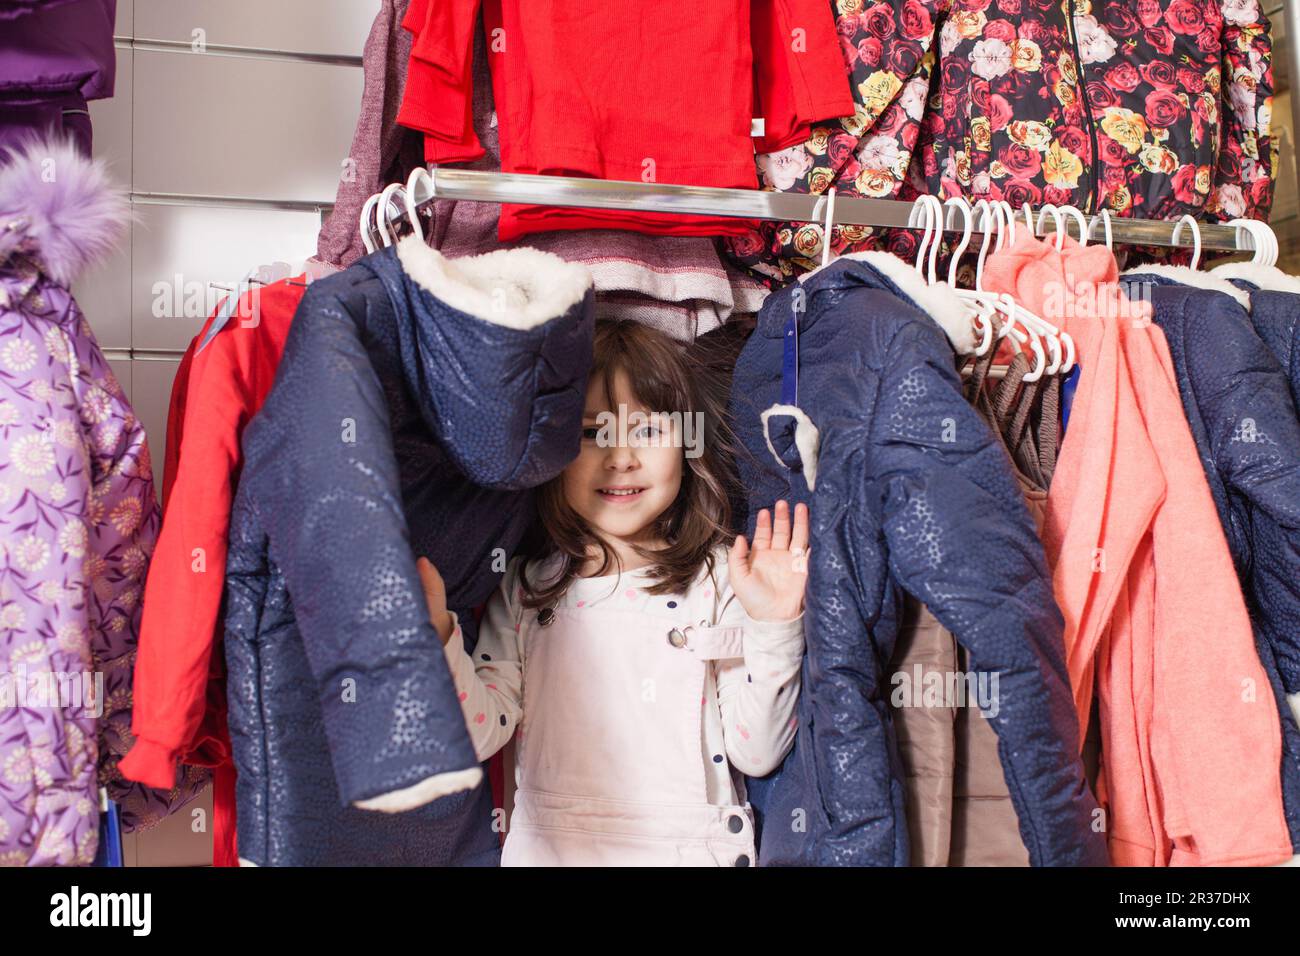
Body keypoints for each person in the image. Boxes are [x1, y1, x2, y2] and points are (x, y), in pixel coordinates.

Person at [417, 319, 808, 866]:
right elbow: (478, 736)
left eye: (646, 431)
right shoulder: (529, 587)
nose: (620, 456)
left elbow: (758, 751)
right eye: (591, 432)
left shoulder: (723, 578)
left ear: (688, 447)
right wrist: (436, 639)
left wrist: (775, 624)